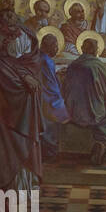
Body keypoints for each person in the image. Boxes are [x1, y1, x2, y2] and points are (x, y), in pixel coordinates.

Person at [0, 11, 44, 191]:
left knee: (24, 136)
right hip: (5, 96)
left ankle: (26, 182)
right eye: (4, 17)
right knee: (7, 138)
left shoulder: (28, 34)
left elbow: (34, 59)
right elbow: (0, 65)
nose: (9, 19)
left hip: (27, 94)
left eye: (11, 15)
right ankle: (8, 184)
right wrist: (24, 77)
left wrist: (30, 76)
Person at [62, 35, 106, 165]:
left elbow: (65, 90)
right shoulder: (98, 65)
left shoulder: (72, 65)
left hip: (73, 112)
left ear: (82, 49)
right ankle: (104, 146)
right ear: (95, 50)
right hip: (93, 112)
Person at [37, 32, 70, 160]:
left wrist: (56, 71)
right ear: (48, 46)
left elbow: (45, 76)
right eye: (55, 46)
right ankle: (49, 153)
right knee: (52, 123)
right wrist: (60, 102)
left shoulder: (40, 57)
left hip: (39, 97)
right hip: (47, 100)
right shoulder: (47, 61)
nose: (57, 49)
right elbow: (51, 87)